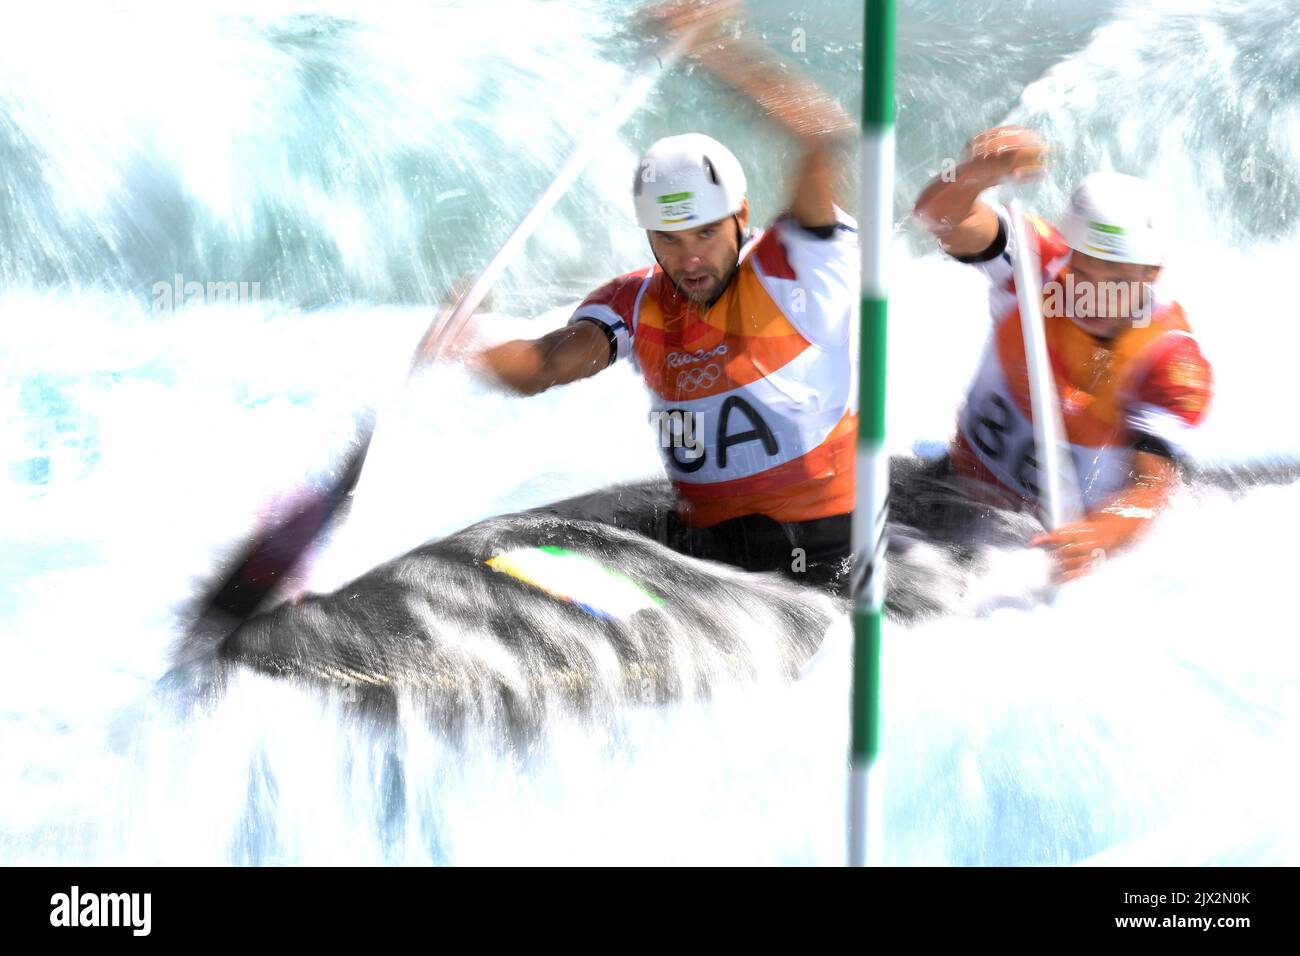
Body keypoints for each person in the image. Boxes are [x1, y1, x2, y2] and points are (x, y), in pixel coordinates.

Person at [461, 1, 859, 591]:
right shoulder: (634, 301)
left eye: (705, 232)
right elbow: (544, 365)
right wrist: (470, 347)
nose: (689, 259)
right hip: (703, 552)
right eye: (668, 240)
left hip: (817, 551)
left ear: (740, 217)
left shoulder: (793, 267)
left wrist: (717, 50)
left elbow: (824, 139)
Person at [912, 125, 1213, 584]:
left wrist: (1097, 535)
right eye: (1083, 273)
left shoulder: (1171, 362)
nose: (1092, 295)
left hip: (1047, 541)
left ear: (1152, 274)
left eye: (1116, 281)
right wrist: (974, 174)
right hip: (953, 487)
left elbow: (1150, 486)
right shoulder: (1035, 266)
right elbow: (938, 216)